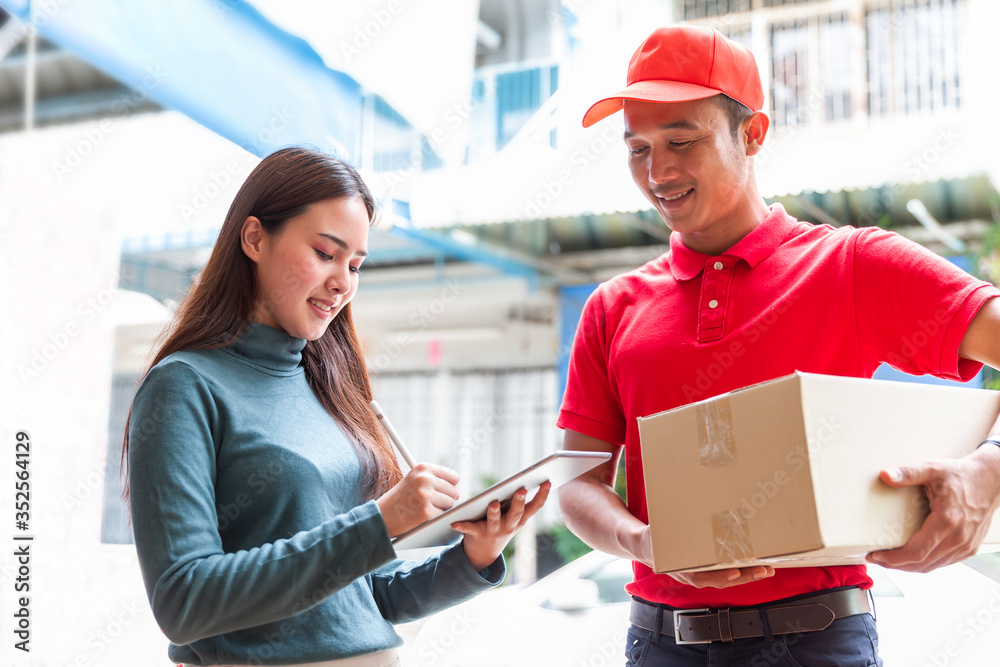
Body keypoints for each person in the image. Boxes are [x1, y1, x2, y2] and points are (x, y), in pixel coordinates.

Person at [557, 24, 1000, 666]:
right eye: (638, 148)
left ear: (753, 134)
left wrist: (987, 471)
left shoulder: (852, 265)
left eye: (682, 140)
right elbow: (577, 483)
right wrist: (649, 543)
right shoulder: (611, 308)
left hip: (814, 640)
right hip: (658, 644)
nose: (658, 172)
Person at [123, 146, 550, 667]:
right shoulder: (184, 387)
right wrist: (378, 523)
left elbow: (367, 599)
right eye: (326, 253)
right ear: (254, 238)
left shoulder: (329, 388)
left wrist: (474, 555)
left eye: (355, 264)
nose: (343, 283)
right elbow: (185, 601)